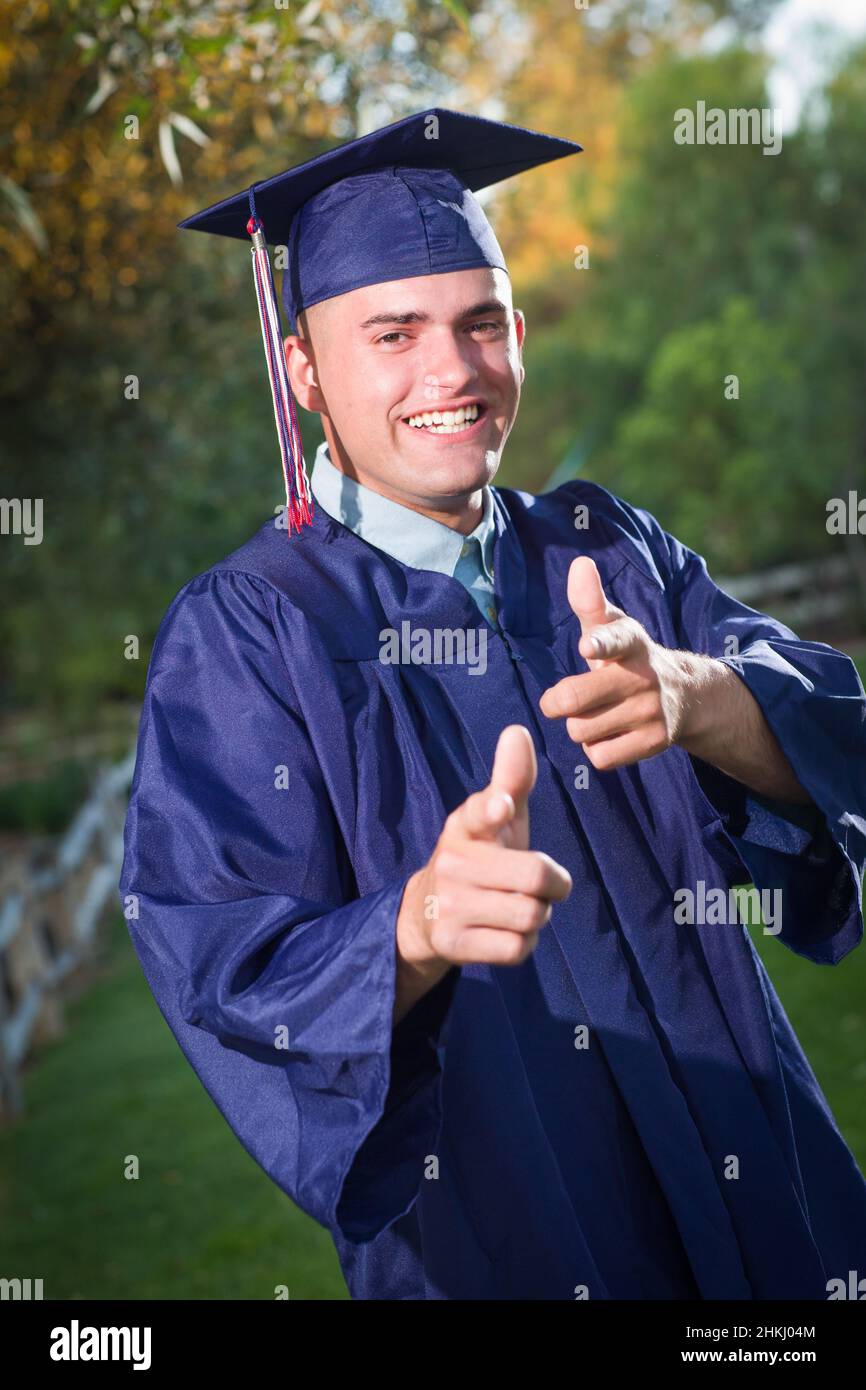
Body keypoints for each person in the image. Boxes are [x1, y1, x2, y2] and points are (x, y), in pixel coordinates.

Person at [119, 108, 866, 1300]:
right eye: (392, 332)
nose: (449, 371)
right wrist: (408, 926)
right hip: (500, 1232)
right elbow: (219, 955)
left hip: (762, 1179)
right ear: (302, 370)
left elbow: (841, 734)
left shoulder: (606, 548)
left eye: (478, 324)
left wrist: (703, 694)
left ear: (518, 333)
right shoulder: (252, 630)